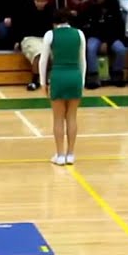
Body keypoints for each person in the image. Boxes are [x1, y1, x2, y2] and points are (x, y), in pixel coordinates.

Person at [38, 9, 86, 166]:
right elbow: (83, 60)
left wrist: (42, 82)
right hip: (75, 77)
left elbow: (43, 61)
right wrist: (82, 81)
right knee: (72, 116)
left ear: (54, 22)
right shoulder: (79, 34)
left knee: (58, 118)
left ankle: (60, 155)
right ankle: (71, 154)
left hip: (58, 76)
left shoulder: (50, 35)